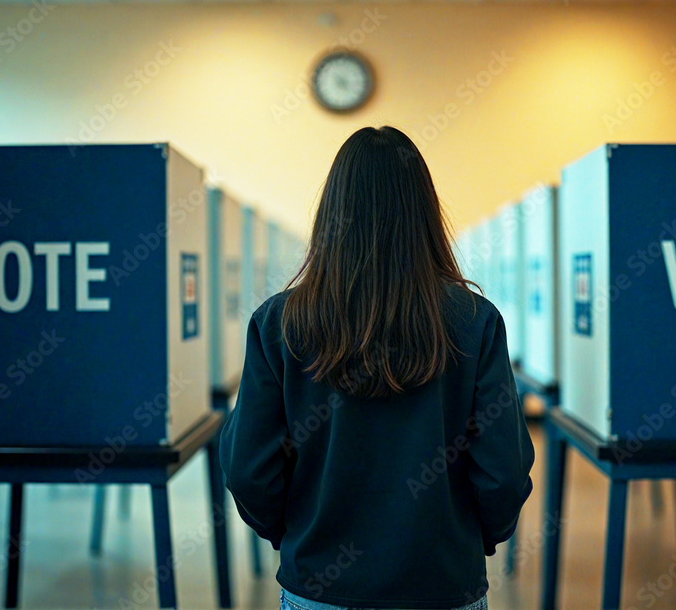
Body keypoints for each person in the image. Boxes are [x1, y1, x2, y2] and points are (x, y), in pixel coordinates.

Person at [219, 126, 535, 610]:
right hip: (444, 584)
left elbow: (247, 470)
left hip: (318, 587)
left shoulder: (280, 322)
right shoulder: (475, 321)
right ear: (425, 213)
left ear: (331, 215)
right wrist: (471, 539)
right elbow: (504, 472)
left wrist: (297, 537)